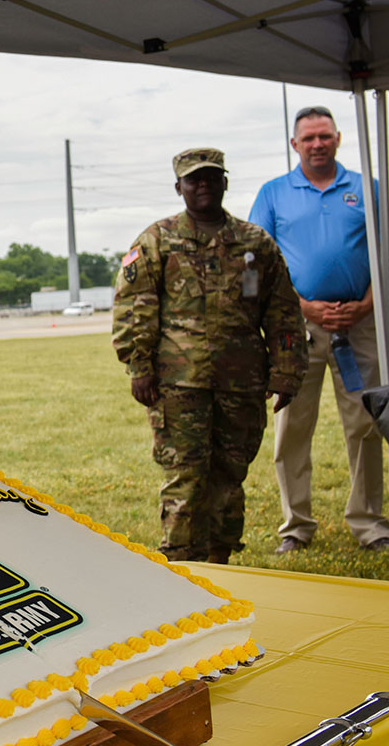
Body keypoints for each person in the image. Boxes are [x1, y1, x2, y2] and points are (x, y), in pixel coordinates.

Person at [113, 148, 306, 563]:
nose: (203, 186)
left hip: (242, 382)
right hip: (178, 384)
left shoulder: (255, 244)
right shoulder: (157, 240)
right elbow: (135, 306)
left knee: (230, 475)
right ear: (178, 187)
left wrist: (286, 372)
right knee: (185, 475)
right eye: (193, 180)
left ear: (225, 183)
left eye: (211, 178)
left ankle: (221, 561)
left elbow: (282, 310)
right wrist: (139, 366)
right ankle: (181, 562)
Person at [249, 106, 389, 553]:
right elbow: (257, 262)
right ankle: (296, 526)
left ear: (339, 139)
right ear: (294, 144)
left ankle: (369, 524)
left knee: (366, 422)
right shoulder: (274, 194)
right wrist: (304, 305)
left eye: (324, 136)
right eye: (308, 138)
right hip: (298, 328)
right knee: (292, 426)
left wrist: (367, 303)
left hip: (360, 325)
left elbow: (385, 248)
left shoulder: (367, 189)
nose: (317, 144)